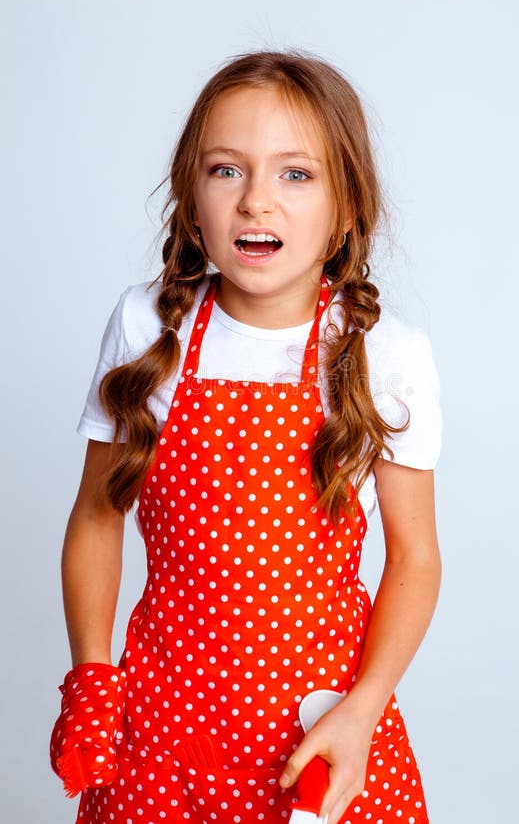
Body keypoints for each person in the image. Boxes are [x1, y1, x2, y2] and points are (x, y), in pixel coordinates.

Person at [50, 49, 443, 824]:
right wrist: (92, 677)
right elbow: (98, 516)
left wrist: (365, 706)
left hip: (319, 737)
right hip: (160, 741)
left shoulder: (383, 354)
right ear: (193, 200)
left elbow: (415, 557)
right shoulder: (144, 326)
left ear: (348, 206)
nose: (257, 201)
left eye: (296, 175)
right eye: (226, 170)